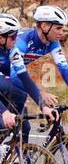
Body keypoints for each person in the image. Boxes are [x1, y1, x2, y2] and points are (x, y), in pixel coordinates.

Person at [14, 5, 68, 119]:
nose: (62, 32)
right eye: (58, 28)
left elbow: (64, 69)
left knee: (24, 127)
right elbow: (13, 74)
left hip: (9, 75)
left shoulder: (52, 42)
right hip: (6, 74)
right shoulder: (22, 41)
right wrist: (40, 93)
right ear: (44, 26)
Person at [0, 11, 56, 143]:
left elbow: (24, 77)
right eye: (13, 37)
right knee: (5, 121)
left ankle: (16, 159)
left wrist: (43, 106)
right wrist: (4, 112)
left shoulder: (12, 51)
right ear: (1, 38)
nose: (16, 40)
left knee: (23, 125)